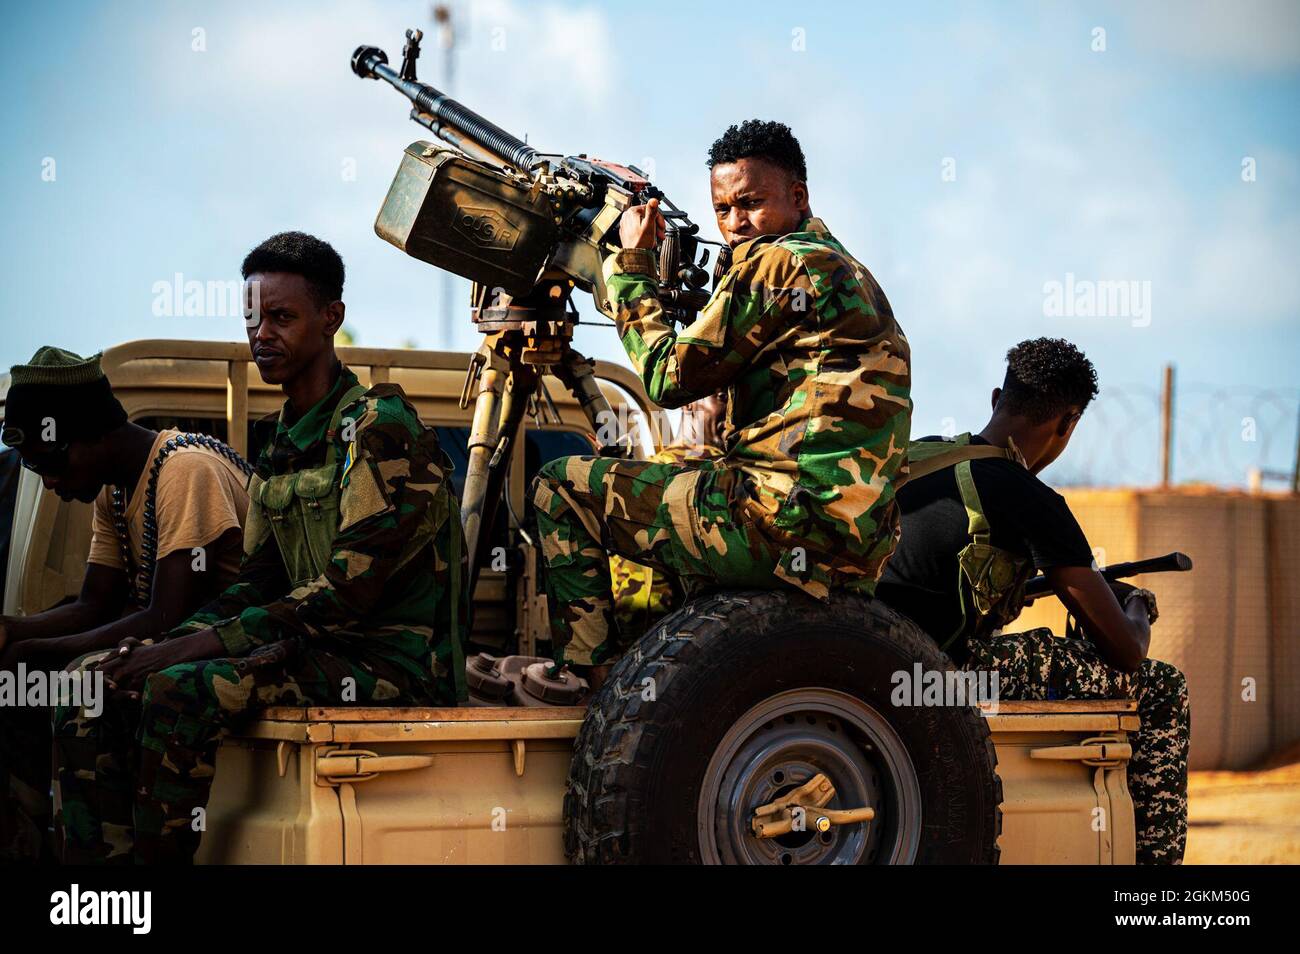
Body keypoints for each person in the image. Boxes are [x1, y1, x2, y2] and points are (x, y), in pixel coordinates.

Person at [51, 231, 468, 863]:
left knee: (176, 689)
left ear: (332, 319)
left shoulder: (379, 427)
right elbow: (259, 581)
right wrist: (158, 646)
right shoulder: (281, 440)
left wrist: (187, 650)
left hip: (392, 666)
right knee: (93, 684)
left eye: (282, 317)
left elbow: (344, 594)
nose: (261, 334)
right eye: (253, 318)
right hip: (309, 650)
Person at [532, 120, 911, 684]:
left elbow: (665, 376)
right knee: (672, 466)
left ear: (798, 196)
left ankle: (588, 676)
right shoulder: (842, 267)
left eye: (752, 204)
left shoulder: (781, 264)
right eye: (723, 211)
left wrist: (632, 268)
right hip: (847, 539)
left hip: (779, 521)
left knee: (561, 485)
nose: (735, 225)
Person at [876, 337, 1189, 864]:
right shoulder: (1029, 496)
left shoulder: (921, 456)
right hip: (937, 674)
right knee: (1161, 685)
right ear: (1067, 424)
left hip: (867, 653)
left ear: (998, 396)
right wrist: (1136, 605)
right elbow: (1124, 651)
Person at [0, 347, 249, 860]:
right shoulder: (114, 491)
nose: (49, 481)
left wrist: (36, 650)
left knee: (75, 687)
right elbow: (95, 604)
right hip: (180, 647)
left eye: (51, 462)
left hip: (227, 646)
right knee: (21, 668)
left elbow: (165, 617)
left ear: (92, 434)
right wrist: (11, 632)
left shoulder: (185, 470)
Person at [608, 392, 727, 637]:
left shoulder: (643, 468)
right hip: (667, 635)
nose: (732, 408)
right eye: (723, 396)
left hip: (640, 636)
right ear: (691, 402)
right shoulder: (716, 472)